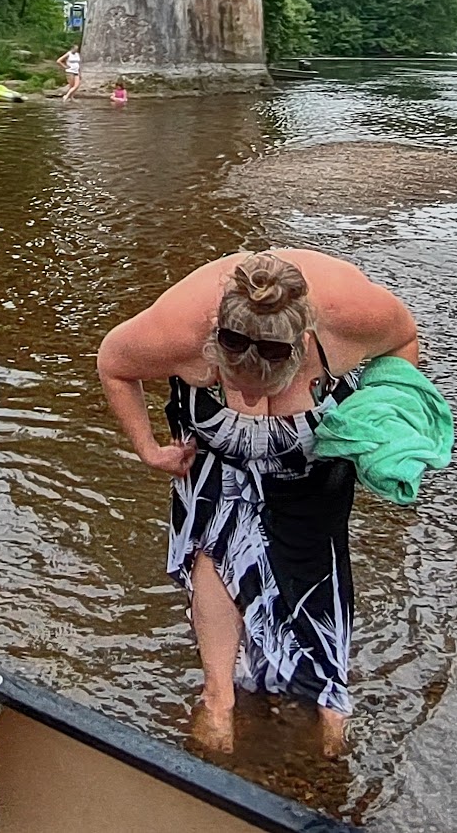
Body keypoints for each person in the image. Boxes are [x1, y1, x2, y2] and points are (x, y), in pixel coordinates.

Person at [95, 249, 420, 759]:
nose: (248, 401)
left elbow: (403, 341)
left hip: (316, 446)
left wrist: (386, 419)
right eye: (234, 384)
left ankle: (329, 700)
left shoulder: (350, 315)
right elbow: (113, 364)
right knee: (216, 536)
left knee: (316, 551)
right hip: (212, 447)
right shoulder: (179, 326)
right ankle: (218, 696)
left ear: (303, 353)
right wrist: (148, 449)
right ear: (210, 347)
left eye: (265, 387)